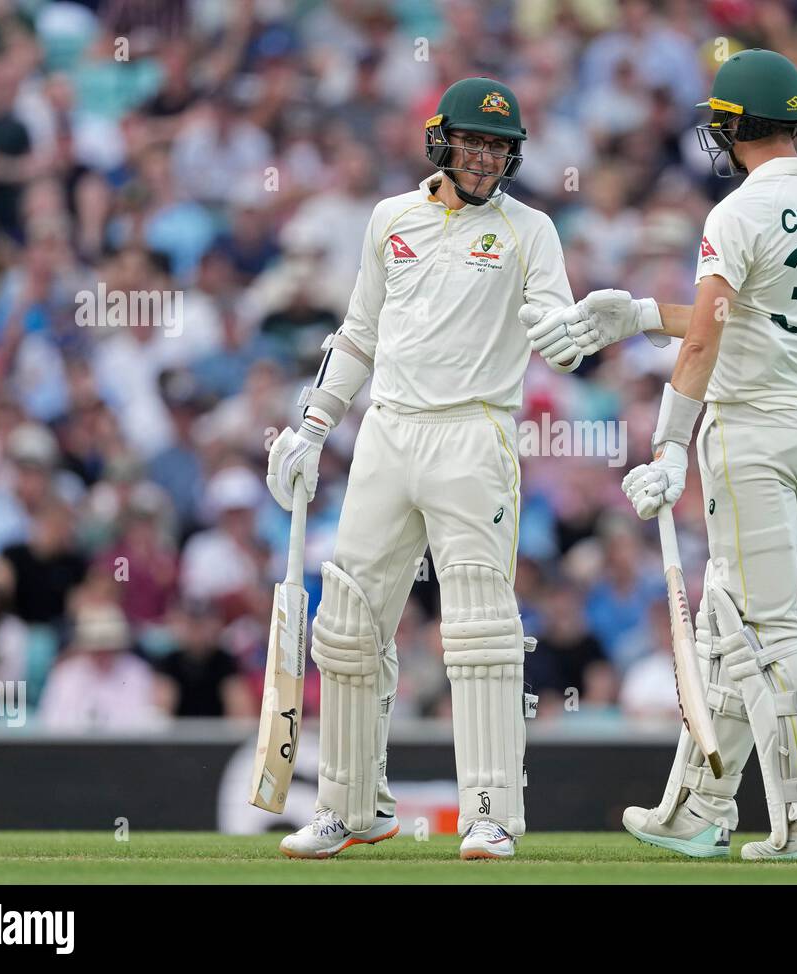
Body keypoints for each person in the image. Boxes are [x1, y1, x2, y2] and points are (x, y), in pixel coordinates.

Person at [529, 50, 797, 860]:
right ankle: (700, 809)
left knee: (765, 627)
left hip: (753, 435)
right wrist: (641, 312)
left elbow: (711, 334)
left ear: (737, 127)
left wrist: (669, 444)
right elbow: (754, 318)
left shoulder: (738, 211)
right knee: (724, 628)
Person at [265, 78, 576, 861]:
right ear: (440, 142)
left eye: (498, 147)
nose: (485, 158)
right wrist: (311, 427)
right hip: (386, 433)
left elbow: (556, 327)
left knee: (478, 630)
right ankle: (349, 807)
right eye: (473, 143)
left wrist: (578, 329)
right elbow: (358, 332)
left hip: (474, 433)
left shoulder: (529, 228)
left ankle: (490, 814)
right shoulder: (389, 220)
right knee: (346, 625)